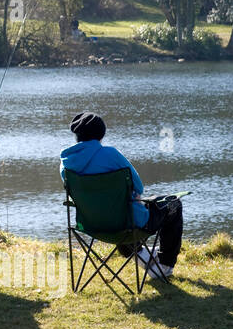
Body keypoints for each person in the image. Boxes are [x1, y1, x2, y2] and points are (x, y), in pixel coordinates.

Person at [59, 111, 183, 278]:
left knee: (115, 209)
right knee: (174, 203)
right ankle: (165, 265)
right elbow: (139, 187)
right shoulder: (111, 155)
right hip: (127, 224)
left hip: (93, 226)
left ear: (77, 136)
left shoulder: (66, 164)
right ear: (101, 134)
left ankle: (143, 256)